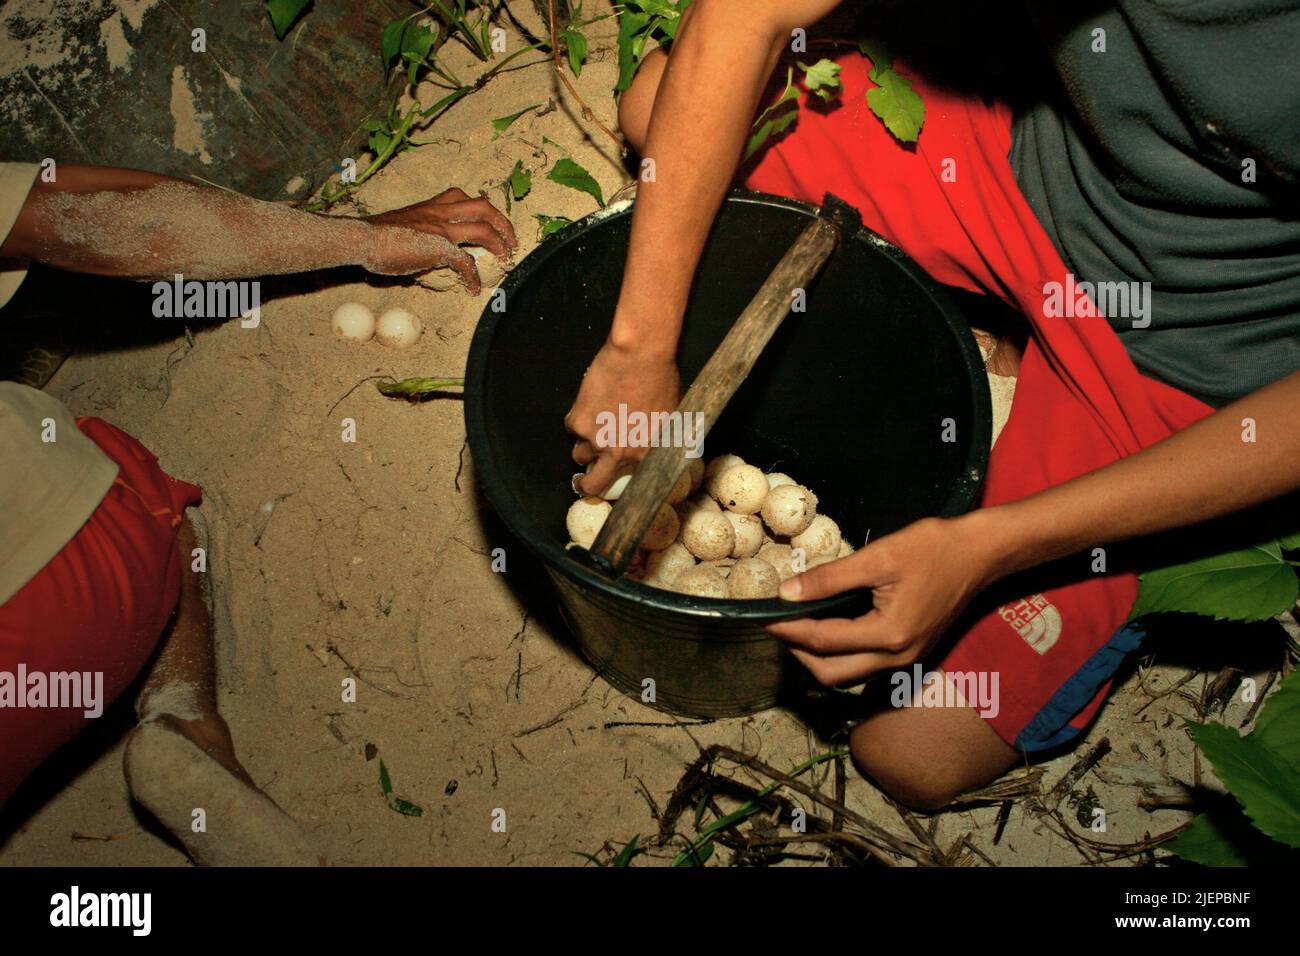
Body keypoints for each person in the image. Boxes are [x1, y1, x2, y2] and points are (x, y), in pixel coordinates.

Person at [565, 0, 1300, 807]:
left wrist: (988, 547)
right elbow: (747, 17)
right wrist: (640, 349)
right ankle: (1010, 318)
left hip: (1191, 351)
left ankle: (1130, 499)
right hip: (1031, 162)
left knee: (913, 750)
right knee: (661, 102)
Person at [0, 161, 515, 862]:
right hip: (81, 589)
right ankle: (183, 720)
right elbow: (119, 222)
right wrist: (364, 238)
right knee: (145, 500)